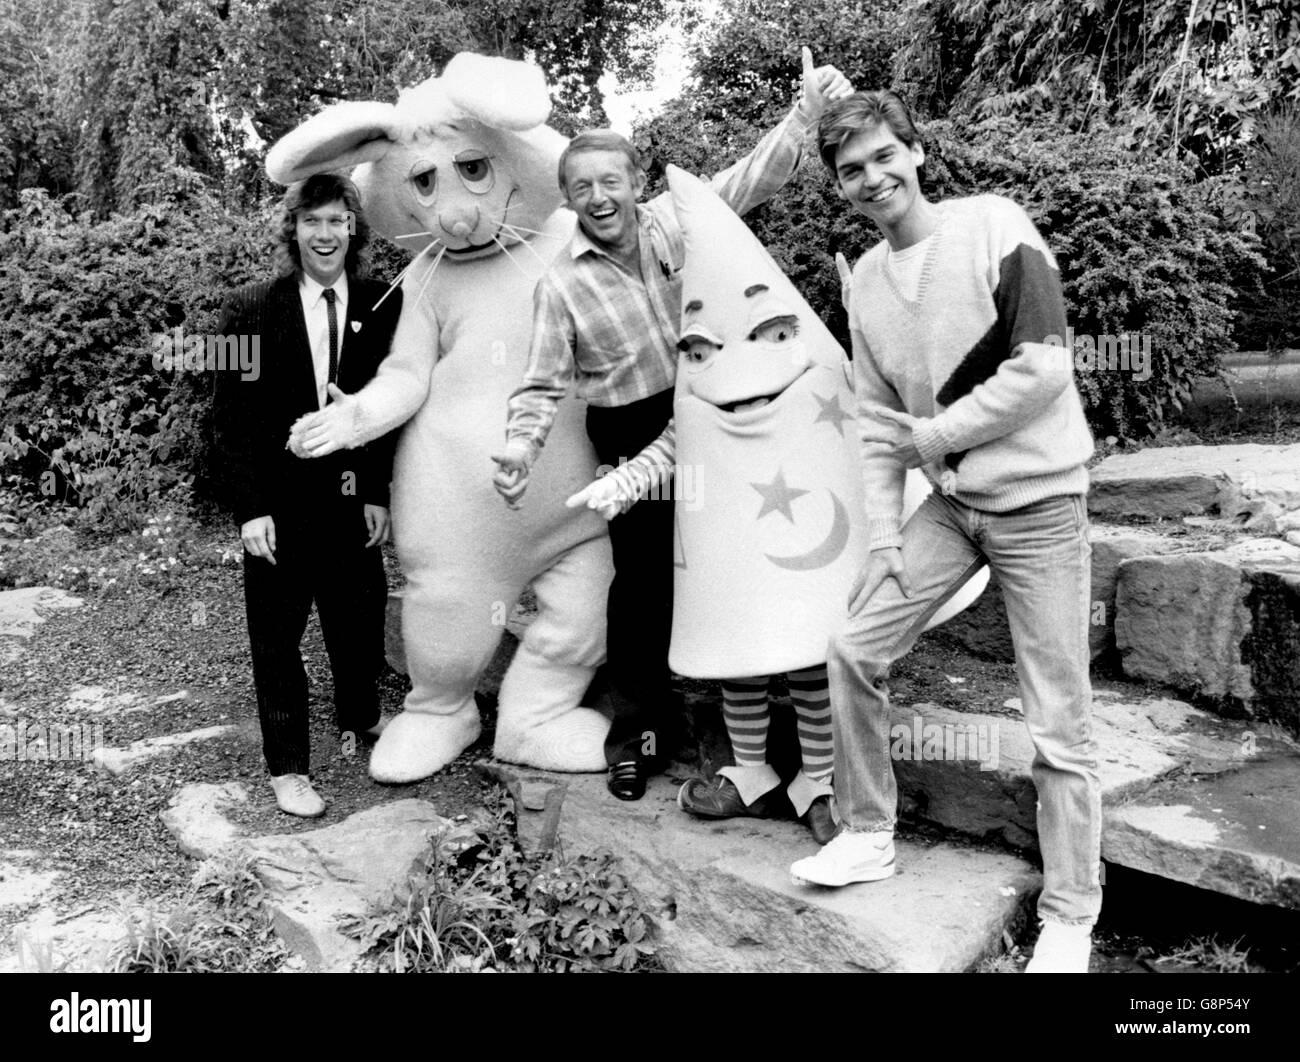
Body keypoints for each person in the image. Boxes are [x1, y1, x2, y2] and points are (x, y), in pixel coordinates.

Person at [788, 91, 1102, 974]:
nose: (872, 178)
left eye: (885, 156)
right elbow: (879, 430)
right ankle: (867, 833)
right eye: (851, 170)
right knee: (852, 645)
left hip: (1040, 502)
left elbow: (1044, 367)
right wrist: (885, 540)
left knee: (1057, 718)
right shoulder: (867, 287)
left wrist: (936, 438)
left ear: (917, 152)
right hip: (951, 510)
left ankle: (1072, 914)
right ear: (841, 187)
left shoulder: (995, 225)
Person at [491, 48, 853, 802]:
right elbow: (541, 381)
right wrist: (520, 449)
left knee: (745, 559)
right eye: (582, 186)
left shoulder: (674, 224)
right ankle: (638, 740)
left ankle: (797, 753)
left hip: (722, 413)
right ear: (568, 198)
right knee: (647, 588)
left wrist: (806, 113)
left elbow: (755, 176)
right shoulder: (561, 284)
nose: (599, 196)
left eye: (610, 181)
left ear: (634, 183)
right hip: (630, 433)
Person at [211, 172, 403, 817]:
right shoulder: (245, 308)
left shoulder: (384, 304)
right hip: (280, 505)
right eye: (312, 220)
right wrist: (250, 510)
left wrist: (376, 490)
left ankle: (362, 719)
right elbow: (228, 420)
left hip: (352, 500)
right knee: (277, 637)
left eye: (337, 220)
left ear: (354, 228)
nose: (325, 234)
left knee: (359, 618)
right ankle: (288, 766)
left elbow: (387, 406)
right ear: (292, 228)